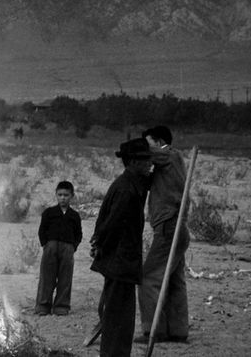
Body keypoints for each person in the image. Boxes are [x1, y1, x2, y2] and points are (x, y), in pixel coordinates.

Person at [90, 138, 151, 357]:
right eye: (145, 160)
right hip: (120, 259)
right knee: (118, 314)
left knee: (121, 312)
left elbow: (154, 177)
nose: (150, 164)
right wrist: (99, 244)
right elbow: (111, 224)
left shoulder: (133, 182)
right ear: (133, 162)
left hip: (123, 259)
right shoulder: (126, 189)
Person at [136, 126, 189, 344]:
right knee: (174, 280)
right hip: (176, 227)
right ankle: (178, 330)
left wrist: (133, 149)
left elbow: (146, 154)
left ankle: (153, 330)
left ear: (159, 143)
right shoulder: (168, 163)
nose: (147, 147)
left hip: (169, 226)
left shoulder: (169, 155)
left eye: (148, 143)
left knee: (147, 278)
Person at [34, 180, 82, 316]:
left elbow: (78, 234)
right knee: (47, 276)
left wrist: (73, 247)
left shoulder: (74, 215)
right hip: (50, 247)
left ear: (72, 196)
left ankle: (61, 306)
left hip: (67, 249)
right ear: (56, 195)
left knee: (65, 278)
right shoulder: (49, 213)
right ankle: (43, 306)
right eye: (60, 195)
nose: (63, 198)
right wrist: (46, 245)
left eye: (66, 195)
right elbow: (42, 230)